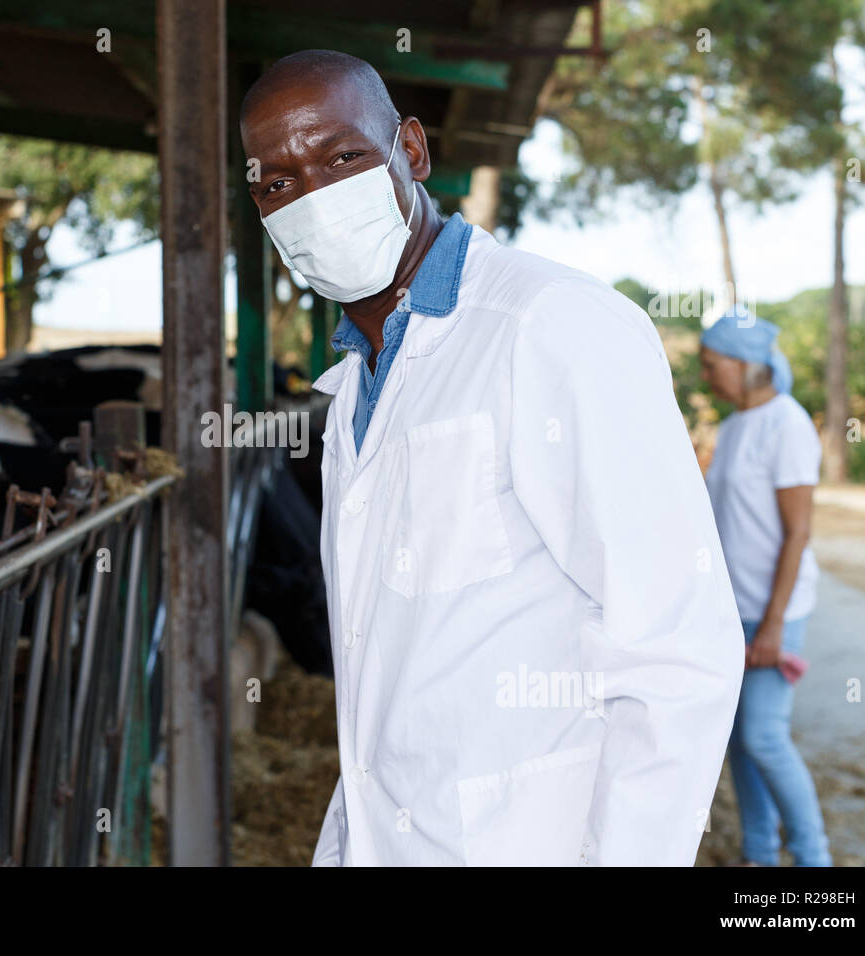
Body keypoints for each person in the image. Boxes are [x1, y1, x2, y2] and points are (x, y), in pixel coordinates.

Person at [240, 50, 744, 866]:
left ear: (411, 150)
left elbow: (677, 652)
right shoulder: (356, 389)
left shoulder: (555, 324)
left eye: (342, 157)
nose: (313, 198)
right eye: (277, 184)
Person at [700, 310, 832, 867]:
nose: (708, 377)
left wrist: (775, 623)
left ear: (745, 363)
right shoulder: (731, 430)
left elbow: (798, 531)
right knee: (739, 746)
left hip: (775, 610)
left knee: (764, 737)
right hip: (734, 614)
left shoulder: (788, 424)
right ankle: (759, 856)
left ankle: (813, 858)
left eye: (713, 366)